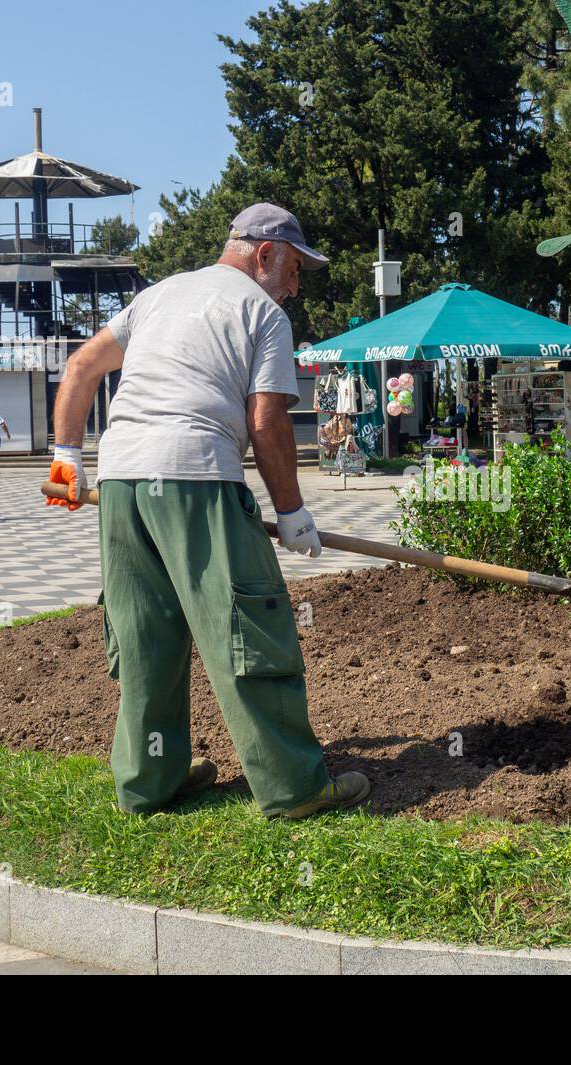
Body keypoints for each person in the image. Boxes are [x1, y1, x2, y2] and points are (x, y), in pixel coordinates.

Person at [47, 202, 370, 820]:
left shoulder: (159, 295)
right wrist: (295, 513)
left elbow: (82, 365)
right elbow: (267, 420)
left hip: (121, 483)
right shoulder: (263, 312)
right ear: (265, 254)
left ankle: (150, 781)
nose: (296, 286)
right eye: (296, 268)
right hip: (196, 476)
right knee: (248, 626)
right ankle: (294, 787)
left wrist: (66, 464)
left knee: (145, 632)